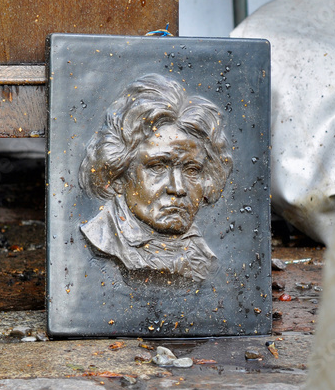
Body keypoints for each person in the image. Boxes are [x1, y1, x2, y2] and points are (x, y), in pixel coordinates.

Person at [78, 73, 233, 282]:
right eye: (158, 167)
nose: (177, 188)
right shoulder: (102, 239)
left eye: (192, 170)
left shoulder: (201, 252)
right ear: (118, 176)